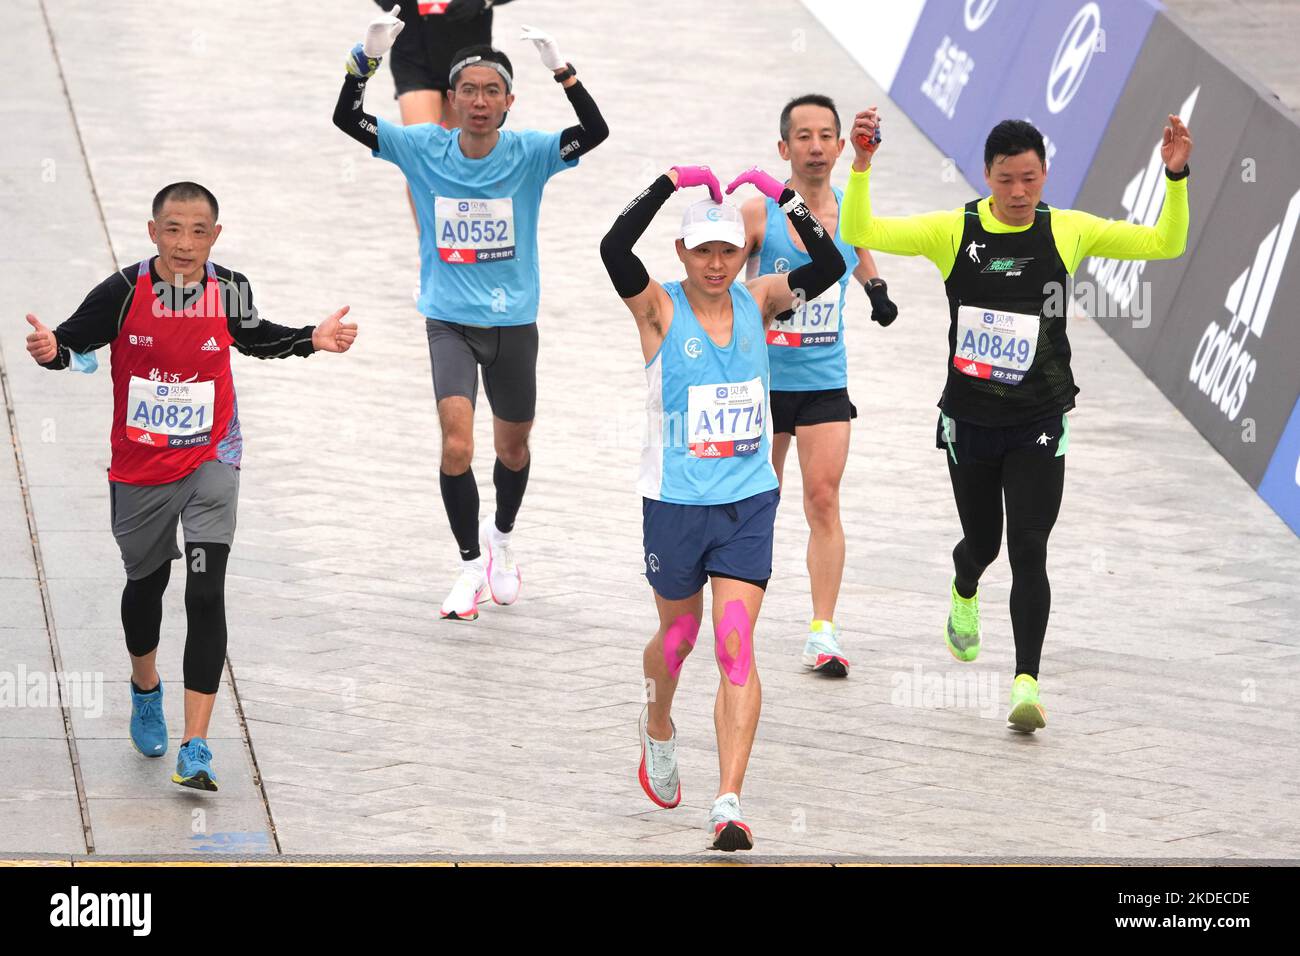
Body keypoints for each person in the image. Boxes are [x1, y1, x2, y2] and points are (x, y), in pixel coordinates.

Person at [841, 109, 1192, 732]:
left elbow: (1165, 244)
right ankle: (964, 584)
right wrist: (862, 166)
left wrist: (1176, 177)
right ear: (986, 176)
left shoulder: (1068, 231)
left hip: (1039, 417)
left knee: (1030, 549)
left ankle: (1026, 681)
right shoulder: (955, 231)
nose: (1019, 192)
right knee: (984, 543)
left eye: (1030, 178)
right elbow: (860, 228)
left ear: (1044, 173)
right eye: (1006, 180)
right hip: (970, 420)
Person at [24, 182, 358, 790]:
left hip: (213, 458)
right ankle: (145, 687)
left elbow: (255, 337)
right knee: (146, 587)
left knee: (205, 594)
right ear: (153, 232)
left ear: (216, 236)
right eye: (172, 229)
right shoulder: (123, 292)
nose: (185, 243)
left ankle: (196, 744)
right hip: (141, 469)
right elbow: (71, 340)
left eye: (198, 231)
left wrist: (313, 337)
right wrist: (51, 351)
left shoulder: (229, 289)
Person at [600, 164, 845, 849]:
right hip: (674, 505)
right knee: (679, 641)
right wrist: (665, 183)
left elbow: (829, 259)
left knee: (736, 646)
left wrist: (781, 195)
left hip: (745, 503)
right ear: (681, 252)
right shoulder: (657, 307)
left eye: (728, 250)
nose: (715, 263)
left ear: (745, 254)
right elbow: (612, 250)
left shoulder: (761, 300)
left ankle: (729, 802)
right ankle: (657, 725)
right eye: (702, 250)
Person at [334, 9, 608, 621]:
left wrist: (563, 70)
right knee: (456, 445)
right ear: (451, 101)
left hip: (514, 325)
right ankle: (467, 568)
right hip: (449, 320)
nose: (479, 102)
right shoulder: (420, 145)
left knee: (512, 450)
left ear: (509, 101)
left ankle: (502, 543)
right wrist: (366, 62)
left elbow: (594, 131)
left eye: (492, 91)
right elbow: (345, 118)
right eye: (468, 92)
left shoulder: (533, 153)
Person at [739, 93, 899, 678]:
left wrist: (876, 288)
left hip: (825, 380)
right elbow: (724, 284)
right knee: (759, 501)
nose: (814, 146)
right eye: (802, 136)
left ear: (837, 145)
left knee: (823, 499)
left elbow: (855, 248)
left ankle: (822, 632)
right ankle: (740, 620)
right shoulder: (759, 214)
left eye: (824, 136)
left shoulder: (849, 208)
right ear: (784, 148)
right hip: (763, 386)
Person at [372, 1, 518, 228]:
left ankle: (465, 234)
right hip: (413, 47)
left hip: (468, 47)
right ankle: (427, 242)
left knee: (464, 158)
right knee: (419, 153)